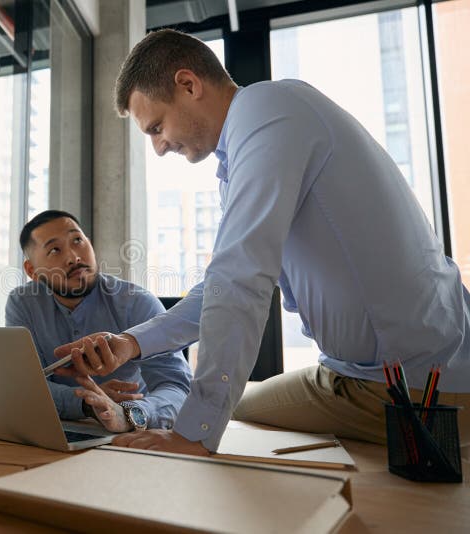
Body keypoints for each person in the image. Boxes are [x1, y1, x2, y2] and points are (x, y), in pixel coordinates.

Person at [54, 29, 470, 456]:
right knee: (232, 410)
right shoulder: (250, 142)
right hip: (355, 374)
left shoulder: (269, 112)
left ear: (188, 85)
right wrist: (132, 342)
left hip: (413, 385)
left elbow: (239, 278)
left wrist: (192, 437)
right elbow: (220, 286)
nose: (159, 147)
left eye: (157, 127)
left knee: (221, 420)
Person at [6, 209, 191, 433]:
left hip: (133, 432)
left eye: (78, 240)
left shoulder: (136, 302)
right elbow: (24, 385)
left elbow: (178, 387)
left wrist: (130, 412)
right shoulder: (23, 303)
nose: (74, 257)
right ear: (32, 270)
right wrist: (87, 403)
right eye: (55, 250)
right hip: (56, 430)